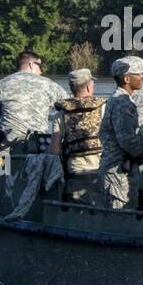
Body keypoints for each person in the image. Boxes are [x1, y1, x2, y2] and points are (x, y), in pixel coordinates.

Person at [0, 50, 68, 206]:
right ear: (31, 64)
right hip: (38, 144)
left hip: (6, 142)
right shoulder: (50, 86)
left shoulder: (2, 84)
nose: (42, 70)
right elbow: (69, 107)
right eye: (40, 65)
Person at [99, 55, 143, 210]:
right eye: (138, 74)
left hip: (122, 169)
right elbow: (127, 140)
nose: (142, 77)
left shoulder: (121, 100)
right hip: (117, 171)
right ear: (127, 79)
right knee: (121, 216)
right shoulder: (122, 103)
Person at [50, 68, 105, 204]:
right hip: (101, 170)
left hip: (76, 172)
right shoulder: (103, 108)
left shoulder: (61, 114)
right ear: (88, 87)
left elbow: (54, 151)